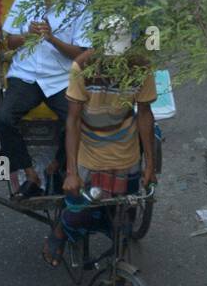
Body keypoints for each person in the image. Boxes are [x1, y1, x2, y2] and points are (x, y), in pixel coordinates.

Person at [46, 21, 157, 266]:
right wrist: (71, 172)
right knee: (79, 214)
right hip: (89, 150)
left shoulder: (141, 67)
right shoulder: (82, 66)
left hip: (125, 154)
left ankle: (116, 279)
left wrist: (150, 164)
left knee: (123, 223)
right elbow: (73, 120)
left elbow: (145, 115)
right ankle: (61, 231)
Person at [0, 0, 95, 201]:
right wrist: (27, 35)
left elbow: (80, 53)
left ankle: (57, 167)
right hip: (26, 74)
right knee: (3, 119)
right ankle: (30, 173)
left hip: (61, 78)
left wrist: (52, 39)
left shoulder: (79, 2)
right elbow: (8, 42)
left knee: (78, 120)